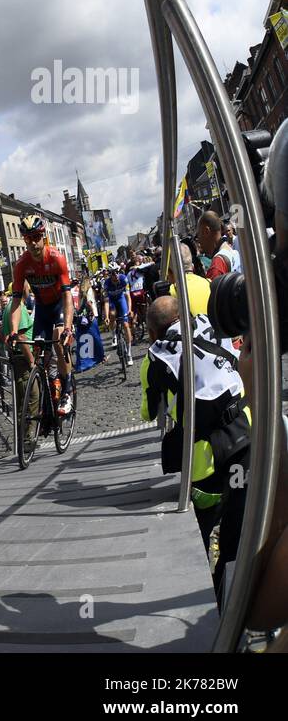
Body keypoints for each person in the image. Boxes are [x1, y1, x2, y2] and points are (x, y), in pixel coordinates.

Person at [140, 295, 250, 606]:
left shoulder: (155, 356)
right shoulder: (212, 324)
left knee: (208, 523)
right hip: (245, 431)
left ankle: (217, 593)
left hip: (206, 457)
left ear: (151, 332)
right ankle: (239, 582)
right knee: (239, 518)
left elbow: (148, 413)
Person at [8, 214, 75, 417]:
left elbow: (67, 296)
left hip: (59, 306)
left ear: (43, 236)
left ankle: (67, 390)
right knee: (37, 353)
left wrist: (68, 327)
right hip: (42, 309)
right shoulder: (21, 265)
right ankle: (48, 391)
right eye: (28, 239)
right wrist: (12, 330)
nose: (33, 242)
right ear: (24, 240)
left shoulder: (56, 259)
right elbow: (17, 300)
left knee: (57, 339)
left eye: (37, 237)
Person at [197, 209, 241, 280]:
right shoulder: (233, 252)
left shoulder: (217, 265)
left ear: (206, 231)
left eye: (198, 234)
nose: (198, 240)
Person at [102, 263, 133, 358]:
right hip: (111, 301)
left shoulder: (124, 279)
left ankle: (129, 353)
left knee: (125, 325)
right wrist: (106, 316)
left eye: (117, 272)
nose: (115, 275)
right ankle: (114, 335)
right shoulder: (106, 283)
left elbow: (128, 296)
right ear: (110, 275)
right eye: (113, 273)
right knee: (111, 314)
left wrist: (129, 309)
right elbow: (106, 302)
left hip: (121, 299)